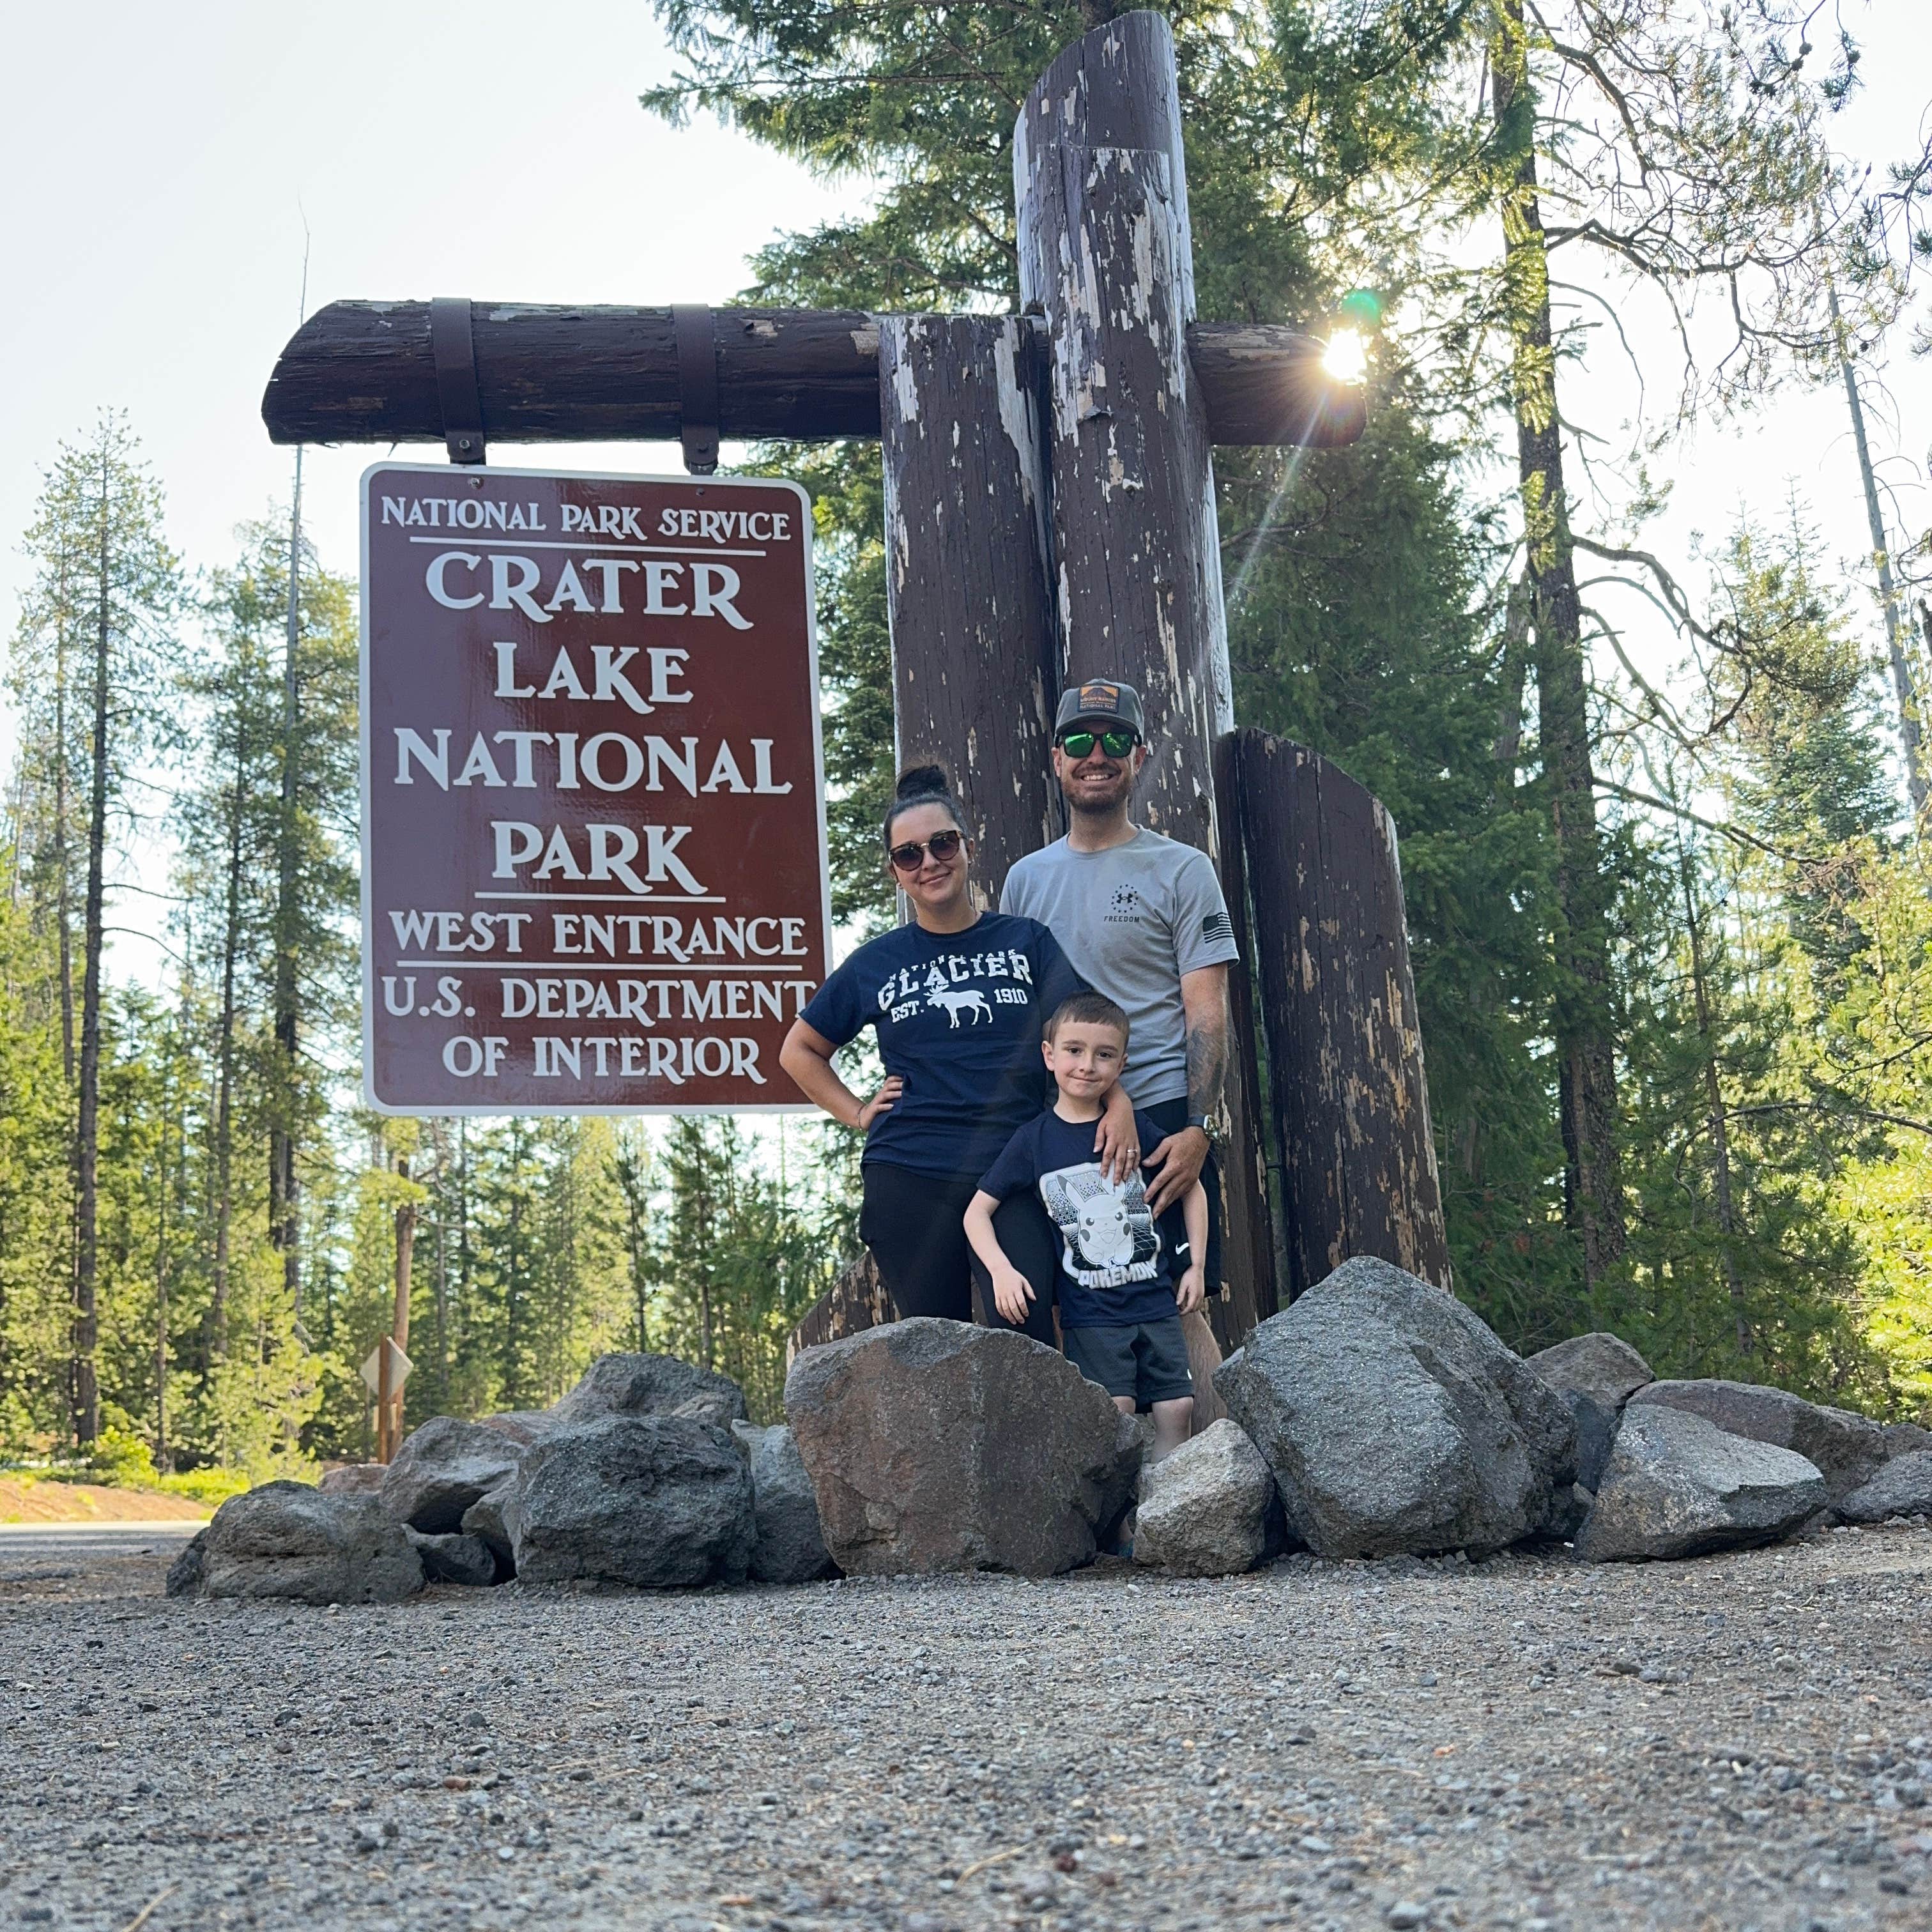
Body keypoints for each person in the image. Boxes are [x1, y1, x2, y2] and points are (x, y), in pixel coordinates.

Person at [779, 764, 1138, 1338]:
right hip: (909, 1173)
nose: (930, 862)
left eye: (942, 843)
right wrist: (856, 1111)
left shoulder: (1026, 942)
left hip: (1015, 1170)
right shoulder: (877, 962)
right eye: (909, 855)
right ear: (896, 873)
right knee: (934, 1348)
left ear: (967, 847)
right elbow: (799, 1050)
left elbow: (1087, 1035)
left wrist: (1118, 1104)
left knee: (1025, 1338)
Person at [1000, 677, 1238, 1295]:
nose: (1096, 754)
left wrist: (1196, 1129)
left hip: (1160, 1123)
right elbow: (1024, 1015)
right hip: (1060, 1123)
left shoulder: (1184, 869)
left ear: (1138, 755)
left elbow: (1207, 1013)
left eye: (1115, 739)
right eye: (1079, 739)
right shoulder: (1024, 881)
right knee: (1073, 1311)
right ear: (1057, 760)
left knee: (1178, 1310)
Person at [965, 992, 1206, 1461]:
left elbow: (1191, 1188)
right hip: (1091, 1314)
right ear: (1049, 1055)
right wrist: (1001, 1270)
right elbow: (976, 1211)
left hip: (1155, 1301)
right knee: (1112, 1413)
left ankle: (1166, 1518)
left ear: (1122, 1065)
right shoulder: (1033, 1141)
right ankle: (1116, 1531)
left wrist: (1195, 1264)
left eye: (1104, 1055)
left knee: (1177, 1407)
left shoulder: (1135, 1128)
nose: (1087, 1065)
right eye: (1074, 1050)